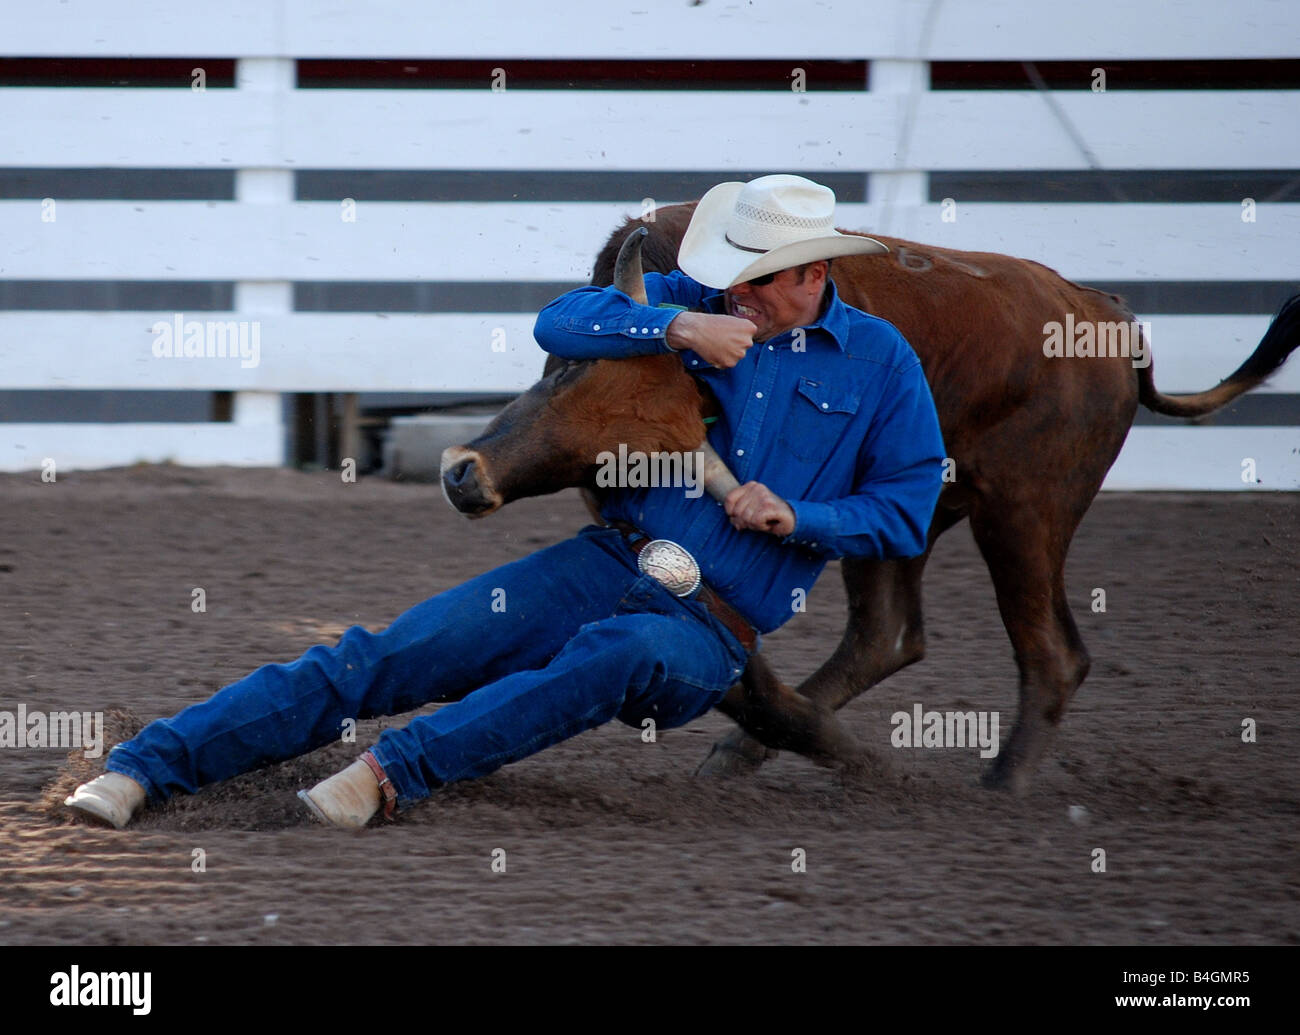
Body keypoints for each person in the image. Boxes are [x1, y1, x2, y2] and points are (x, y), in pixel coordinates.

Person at [64, 174, 945, 831]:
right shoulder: (692, 303)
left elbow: (906, 508)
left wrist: (802, 517)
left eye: (756, 282)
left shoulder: (885, 363)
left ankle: (387, 773)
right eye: (732, 279)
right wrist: (676, 325)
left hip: (709, 630)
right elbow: (559, 322)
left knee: (616, 652)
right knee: (380, 656)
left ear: (813, 271)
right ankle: (146, 766)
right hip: (609, 564)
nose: (737, 296)